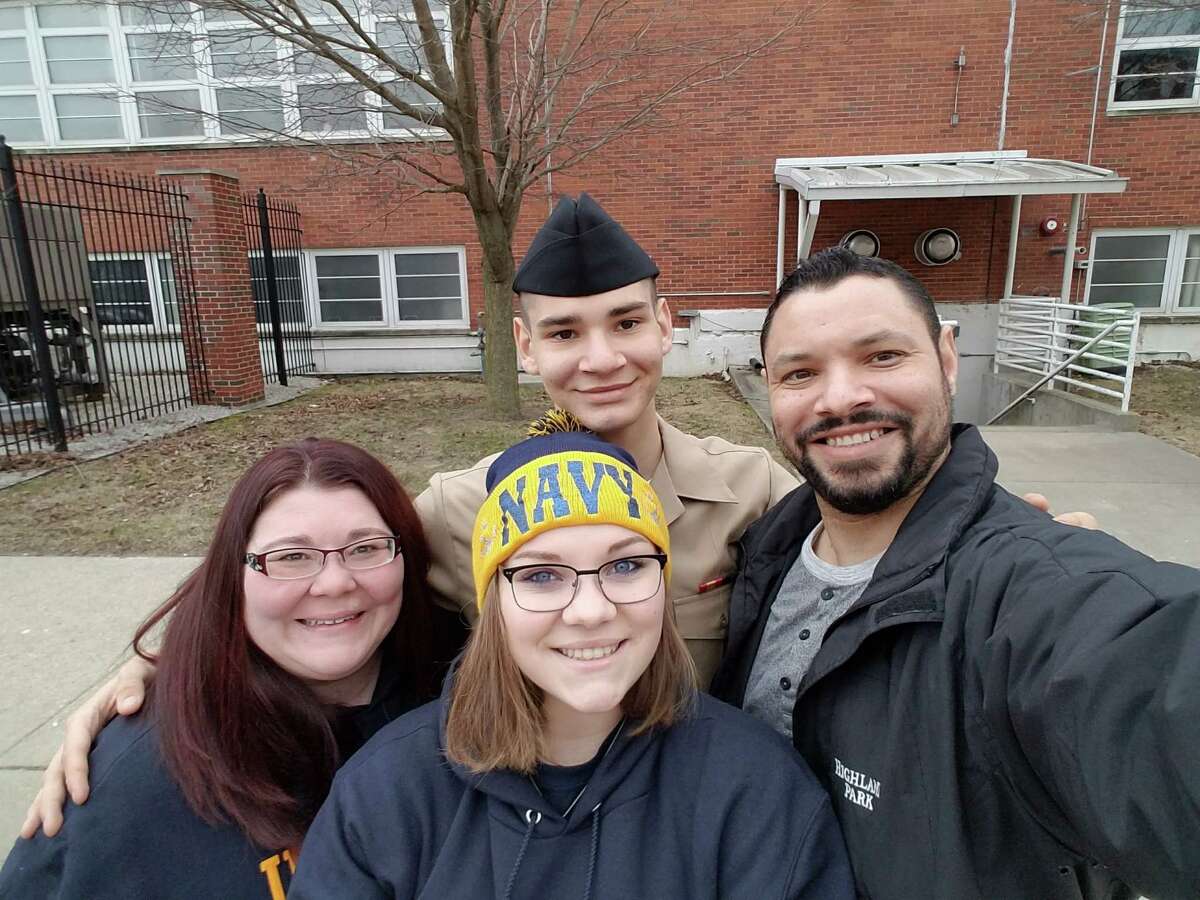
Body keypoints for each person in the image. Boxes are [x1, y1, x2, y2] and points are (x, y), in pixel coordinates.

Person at [21, 194, 1094, 836]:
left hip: (714, 814)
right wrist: (157, 665)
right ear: (525, 346)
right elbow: (316, 573)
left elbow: (894, 529)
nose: (601, 357)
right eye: (565, 332)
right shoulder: (460, 508)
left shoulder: (756, 489)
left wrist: (1015, 536)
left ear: (668, 325)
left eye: (626, 322)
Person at [709, 248, 1200, 900]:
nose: (842, 397)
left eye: (882, 357)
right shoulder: (765, 554)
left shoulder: (1032, 595)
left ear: (946, 359)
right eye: (800, 373)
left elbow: (1154, 694)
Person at [289, 423, 854, 900]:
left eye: (626, 566)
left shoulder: (756, 789)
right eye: (540, 575)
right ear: (492, 604)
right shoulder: (385, 794)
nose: (590, 610)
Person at [0, 439, 465, 899]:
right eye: (290, 557)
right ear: (232, 576)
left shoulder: (470, 705)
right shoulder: (134, 779)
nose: (335, 582)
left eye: (365, 548)